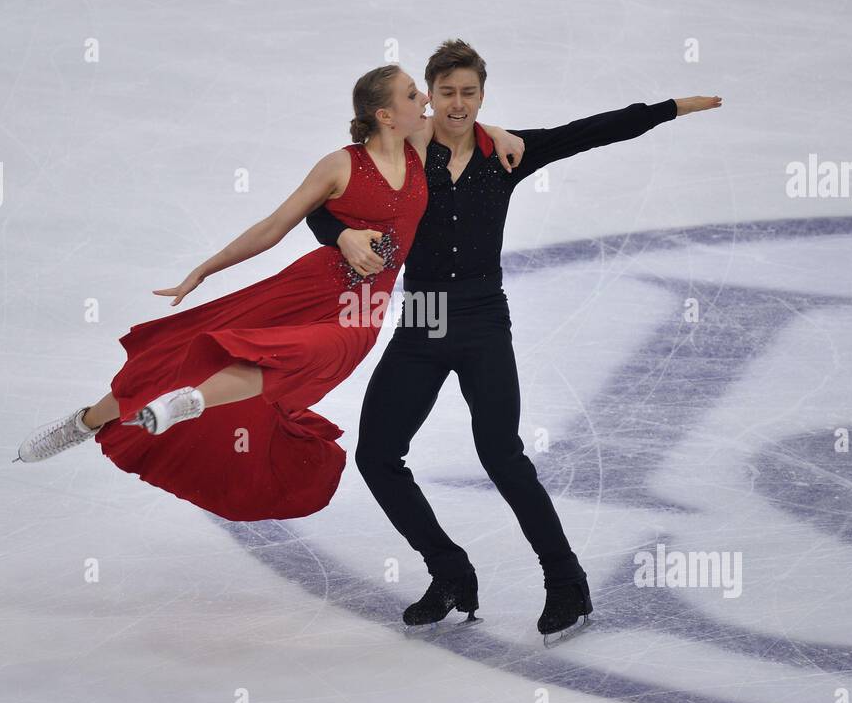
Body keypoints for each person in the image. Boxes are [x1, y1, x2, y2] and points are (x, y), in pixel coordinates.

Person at [306, 38, 721, 639]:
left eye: (468, 93)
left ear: (482, 94)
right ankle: (449, 571)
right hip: (421, 315)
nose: (457, 103)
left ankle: (566, 583)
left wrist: (667, 108)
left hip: (480, 318)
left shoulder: (507, 154)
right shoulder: (399, 156)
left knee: (501, 454)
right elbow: (327, 204)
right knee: (376, 455)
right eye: (445, 93)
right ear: (427, 96)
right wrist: (339, 236)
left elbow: (590, 131)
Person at [13, 63, 526, 523]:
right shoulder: (340, 165)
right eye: (414, 95)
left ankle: (190, 402)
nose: (428, 102)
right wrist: (206, 269)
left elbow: (470, 131)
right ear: (386, 116)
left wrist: (499, 131)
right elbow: (275, 225)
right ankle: (87, 421)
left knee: (306, 353)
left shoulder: (420, 147)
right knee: (183, 357)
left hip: (360, 309)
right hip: (307, 288)